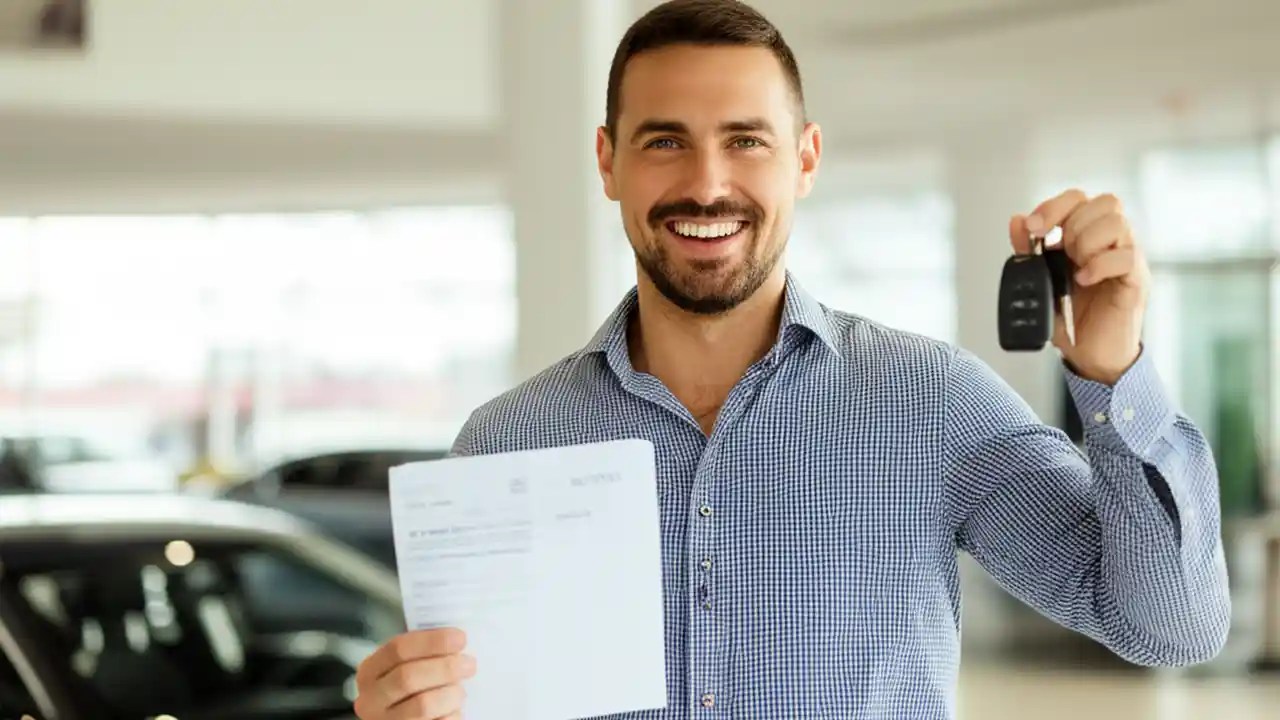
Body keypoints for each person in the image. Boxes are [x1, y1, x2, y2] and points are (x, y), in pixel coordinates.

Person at [353, 1, 1231, 717]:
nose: (707, 184)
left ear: (805, 160)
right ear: (608, 162)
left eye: (746, 140)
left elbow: (1172, 628)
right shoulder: (505, 445)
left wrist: (1114, 372)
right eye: (665, 141)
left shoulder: (930, 401)